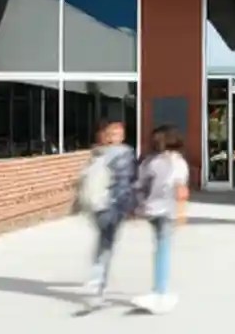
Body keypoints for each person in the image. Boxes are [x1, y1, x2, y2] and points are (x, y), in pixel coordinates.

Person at [76, 121, 138, 298]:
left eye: (116, 133)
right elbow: (124, 182)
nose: (113, 137)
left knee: (104, 240)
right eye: (111, 133)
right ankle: (98, 281)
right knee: (107, 242)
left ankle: (97, 275)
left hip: (96, 204)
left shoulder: (97, 153)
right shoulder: (123, 154)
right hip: (111, 204)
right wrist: (128, 206)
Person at [132, 125, 190, 314]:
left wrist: (138, 206)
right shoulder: (177, 163)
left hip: (152, 210)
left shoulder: (148, 161)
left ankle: (160, 290)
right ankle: (160, 291)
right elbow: (180, 189)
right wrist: (181, 213)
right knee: (162, 249)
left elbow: (139, 185)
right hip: (167, 210)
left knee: (160, 248)